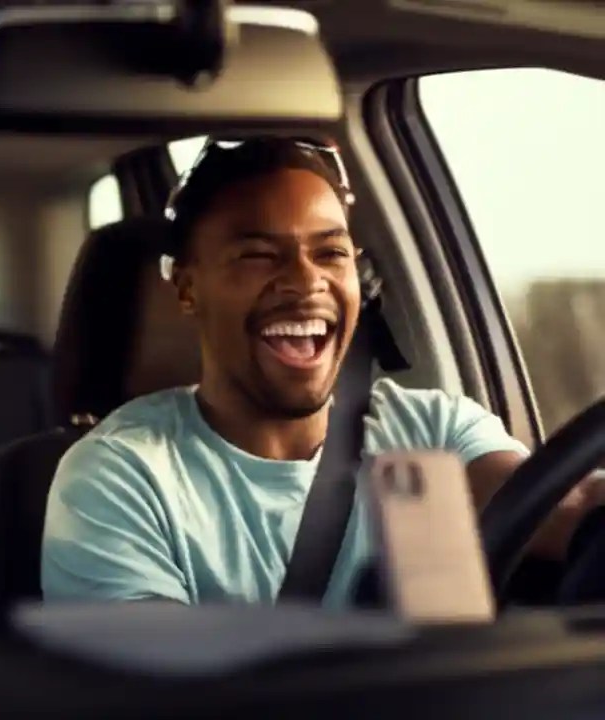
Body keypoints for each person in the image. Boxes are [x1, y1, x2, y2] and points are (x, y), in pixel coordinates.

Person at [42, 136, 599, 606]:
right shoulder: (117, 475)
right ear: (188, 288)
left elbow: (561, 506)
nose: (306, 282)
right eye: (259, 255)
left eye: (331, 254)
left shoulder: (435, 429)